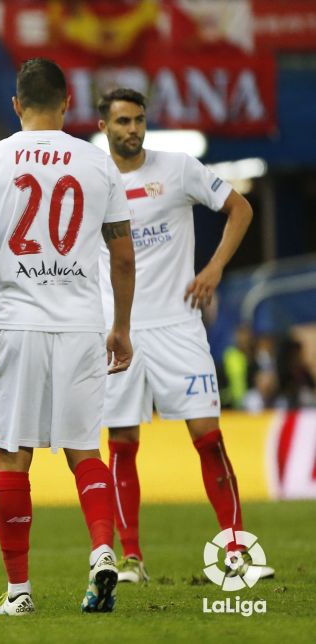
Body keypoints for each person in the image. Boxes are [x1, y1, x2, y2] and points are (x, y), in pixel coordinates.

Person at [0, 58, 136, 616]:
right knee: (83, 450)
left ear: (15, 104)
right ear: (69, 103)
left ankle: (20, 592)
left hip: (18, 322)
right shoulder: (97, 165)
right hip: (79, 323)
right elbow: (122, 256)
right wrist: (120, 326)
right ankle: (104, 551)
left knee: (13, 457)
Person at [95, 88, 274, 584]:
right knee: (123, 444)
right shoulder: (91, 177)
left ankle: (236, 550)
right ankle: (131, 558)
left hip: (178, 325)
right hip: (120, 330)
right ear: (104, 125)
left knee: (209, 438)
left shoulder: (178, 168)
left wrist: (214, 268)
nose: (132, 129)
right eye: (123, 121)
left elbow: (240, 209)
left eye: (139, 120)